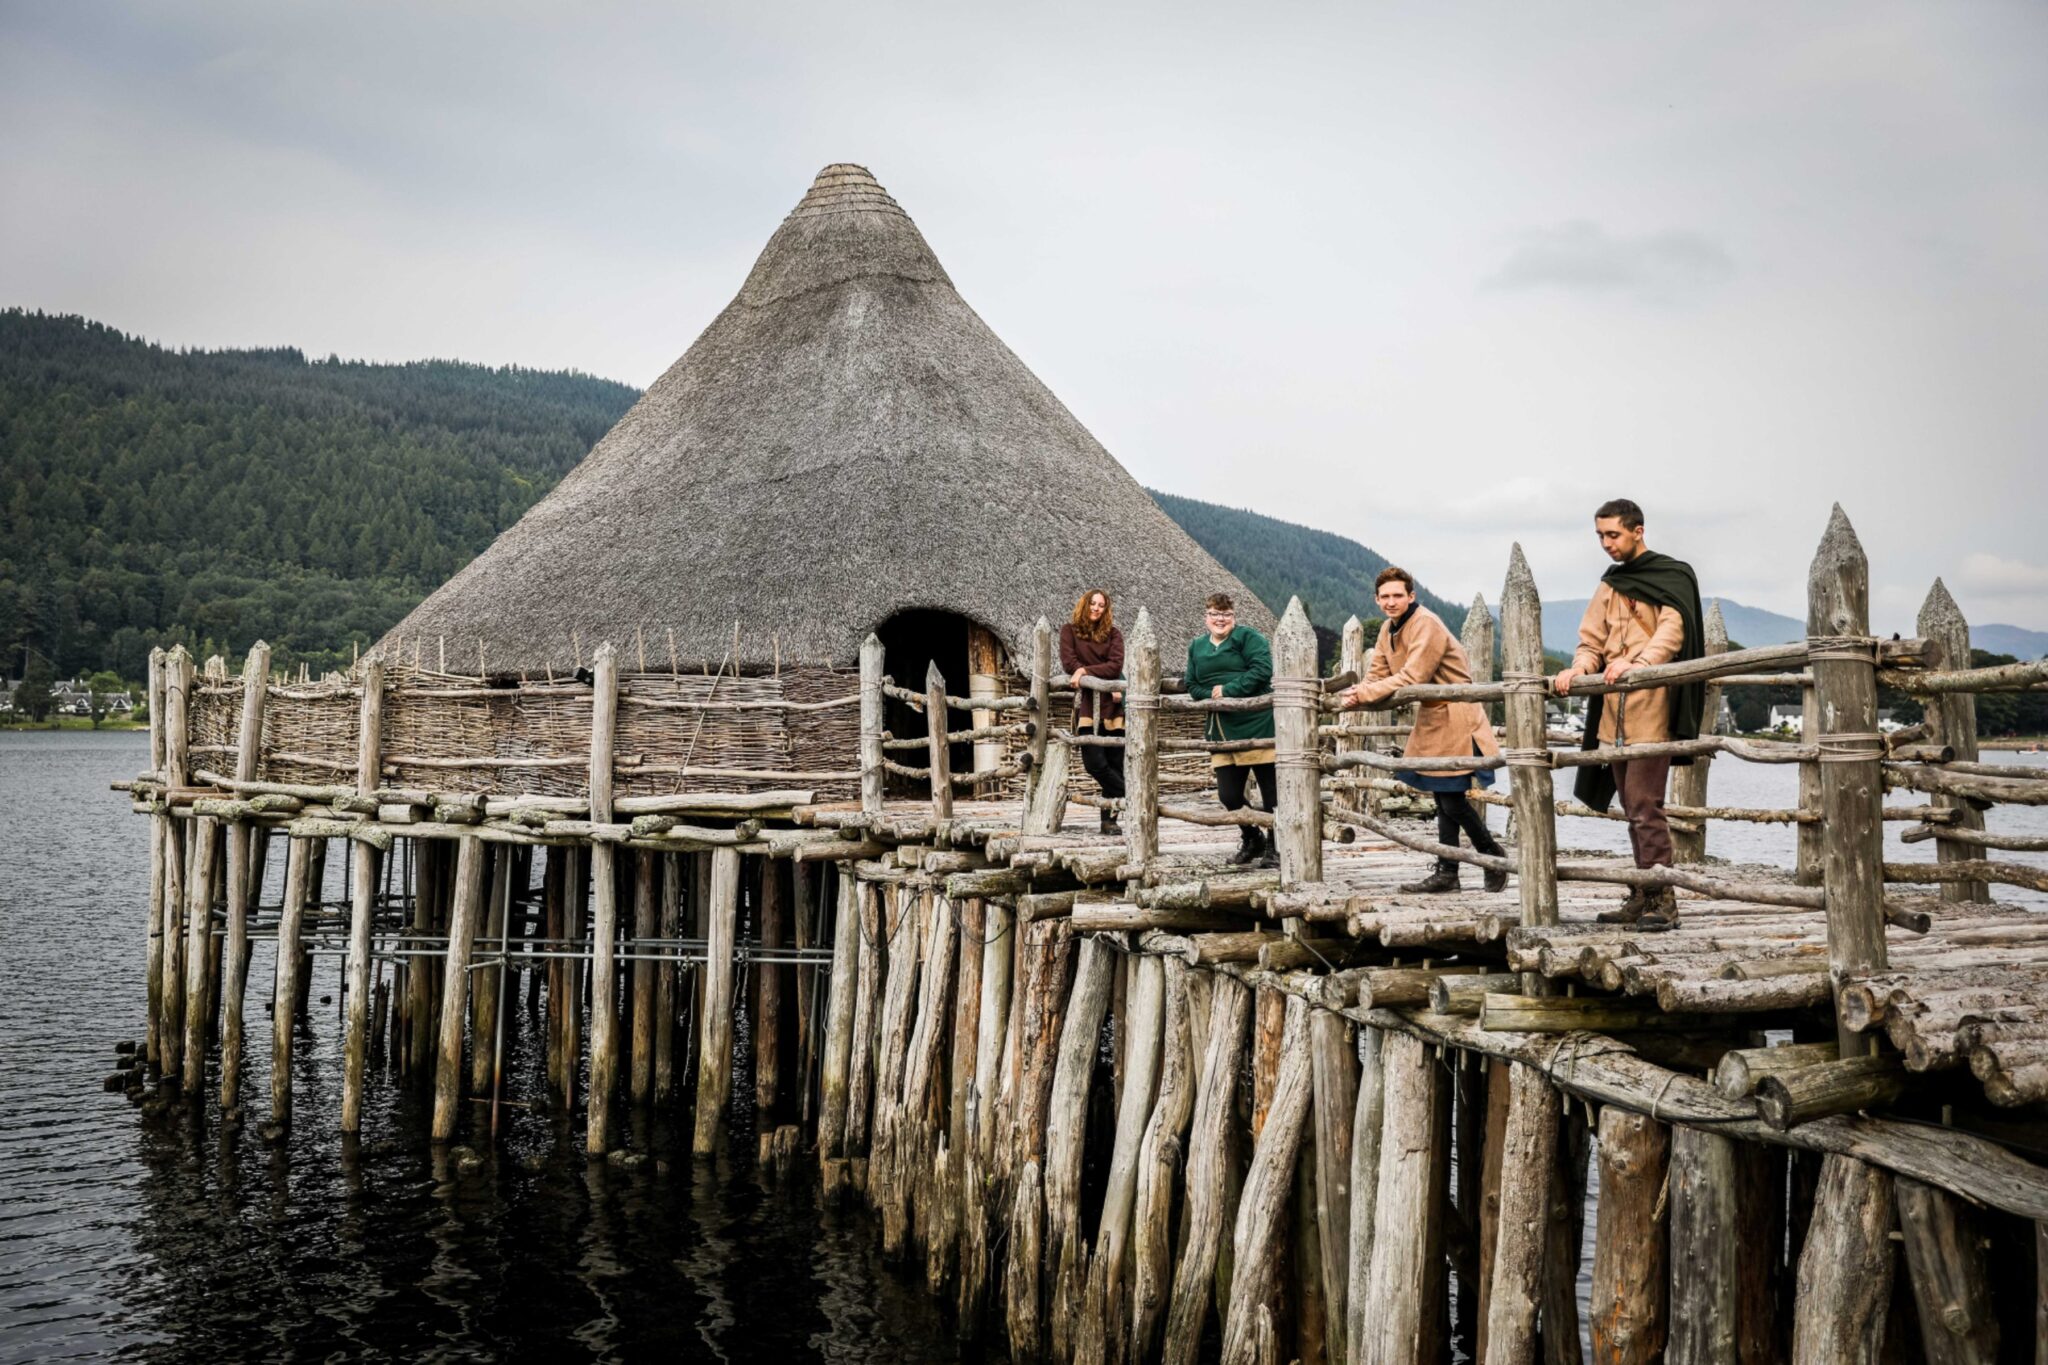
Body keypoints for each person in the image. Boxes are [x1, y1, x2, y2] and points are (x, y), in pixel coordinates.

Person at [1551, 498, 1705, 932]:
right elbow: (1592, 640)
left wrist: (1640, 664)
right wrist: (1578, 669)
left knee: (1644, 805)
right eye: (1600, 536)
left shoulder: (1672, 575)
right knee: (1630, 805)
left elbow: (1673, 633)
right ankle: (1642, 894)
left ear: (1638, 530)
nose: (1606, 544)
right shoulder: (1610, 584)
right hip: (1611, 716)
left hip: (1653, 710)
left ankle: (1663, 900)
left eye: (1613, 534)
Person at [1337, 568, 1508, 893]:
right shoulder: (1388, 629)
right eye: (1385, 597)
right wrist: (1357, 692)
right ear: (1377, 600)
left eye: (1397, 595)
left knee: (1453, 800)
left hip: (1457, 716)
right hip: (1432, 719)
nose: (1391, 602)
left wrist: (1365, 693)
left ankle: (1491, 855)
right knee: (1444, 799)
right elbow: (1377, 673)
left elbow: (1413, 676)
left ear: (1411, 596)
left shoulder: (1426, 623)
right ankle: (1448, 872)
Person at [1184, 592, 1277, 866]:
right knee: (1229, 795)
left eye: (1225, 614)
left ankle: (1275, 847)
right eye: (1214, 613)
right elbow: (1191, 683)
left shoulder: (1249, 639)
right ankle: (1252, 837)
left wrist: (1228, 690)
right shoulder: (1197, 646)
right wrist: (1209, 696)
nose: (1220, 619)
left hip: (1256, 724)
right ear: (1206, 617)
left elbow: (1262, 671)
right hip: (1220, 728)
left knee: (1270, 793)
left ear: (1233, 617)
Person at [1060, 589, 1127, 834]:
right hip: (1088, 706)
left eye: (1101, 605)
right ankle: (1131, 794)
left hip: (1112, 708)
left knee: (1114, 762)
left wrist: (1085, 672)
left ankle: (1109, 821)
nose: (1096, 608)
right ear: (1085, 604)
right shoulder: (1070, 631)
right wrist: (1079, 670)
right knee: (1094, 763)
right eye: (1093, 603)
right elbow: (1068, 662)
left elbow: (1115, 666)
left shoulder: (1113, 634)